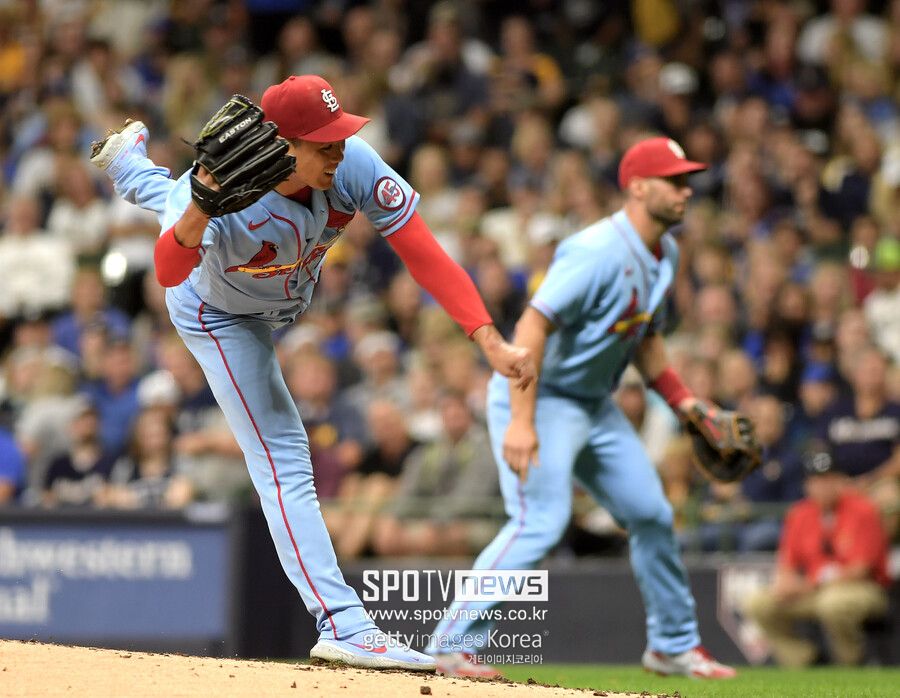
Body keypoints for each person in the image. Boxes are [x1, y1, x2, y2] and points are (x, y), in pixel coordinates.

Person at [90, 74, 534, 672]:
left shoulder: (348, 165)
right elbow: (168, 269)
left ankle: (128, 167)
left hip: (280, 296)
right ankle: (342, 622)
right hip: (215, 311)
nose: (339, 150)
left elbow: (422, 249)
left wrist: (486, 336)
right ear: (282, 146)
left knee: (171, 198)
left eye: (340, 136)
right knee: (284, 456)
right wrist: (199, 203)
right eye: (323, 142)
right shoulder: (223, 194)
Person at [430, 137, 737, 679]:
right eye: (674, 180)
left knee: (651, 514)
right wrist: (523, 423)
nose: (687, 190)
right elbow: (532, 324)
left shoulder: (667, 252)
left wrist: (684, 403)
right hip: (538, 395)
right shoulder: (598, 249)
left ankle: (672, 644)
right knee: (540, 521)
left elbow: (644, 338)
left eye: (687, 179)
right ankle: (453, 644)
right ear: (639, 187)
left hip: (592, 405)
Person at [743, 444, 891, 667]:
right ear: (807, 484)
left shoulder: (863, 509)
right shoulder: (799, 514)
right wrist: (785, 583)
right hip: (815, 591)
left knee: (833, 603)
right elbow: (788, 565)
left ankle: (851, 664)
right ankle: (806, 660)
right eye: (817, 480)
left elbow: (861, 569)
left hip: (863, 589)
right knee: (759, 603)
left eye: (829, 478)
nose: (823, 486)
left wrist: (811, 583)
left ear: (841, 480)